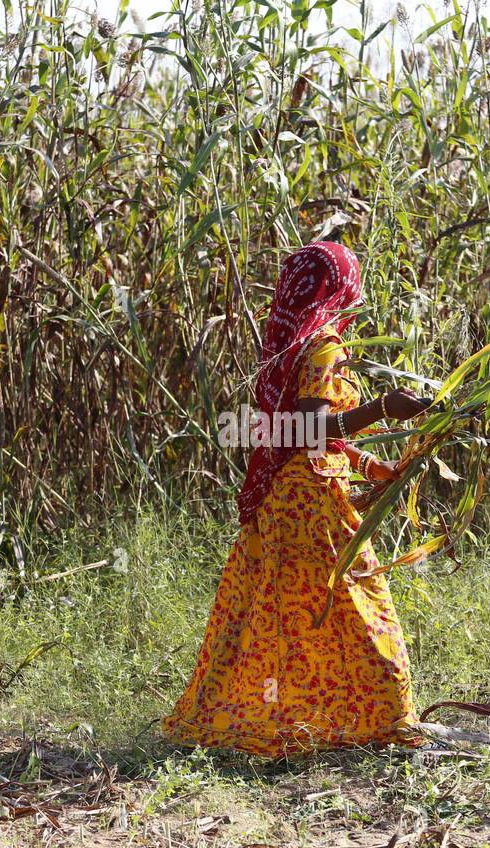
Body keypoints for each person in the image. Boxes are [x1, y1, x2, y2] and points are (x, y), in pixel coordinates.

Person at [162, 241, 431, 756]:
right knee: (364, 616)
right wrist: (381, 408)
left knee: (274, 619)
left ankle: (269, 726)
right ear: (338, 289)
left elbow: (296, 430)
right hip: (314, 507)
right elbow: (309, 428)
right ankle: (383, 725)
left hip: (284, 501)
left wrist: (366, 463)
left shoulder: (287, 346)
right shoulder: (325, 345)